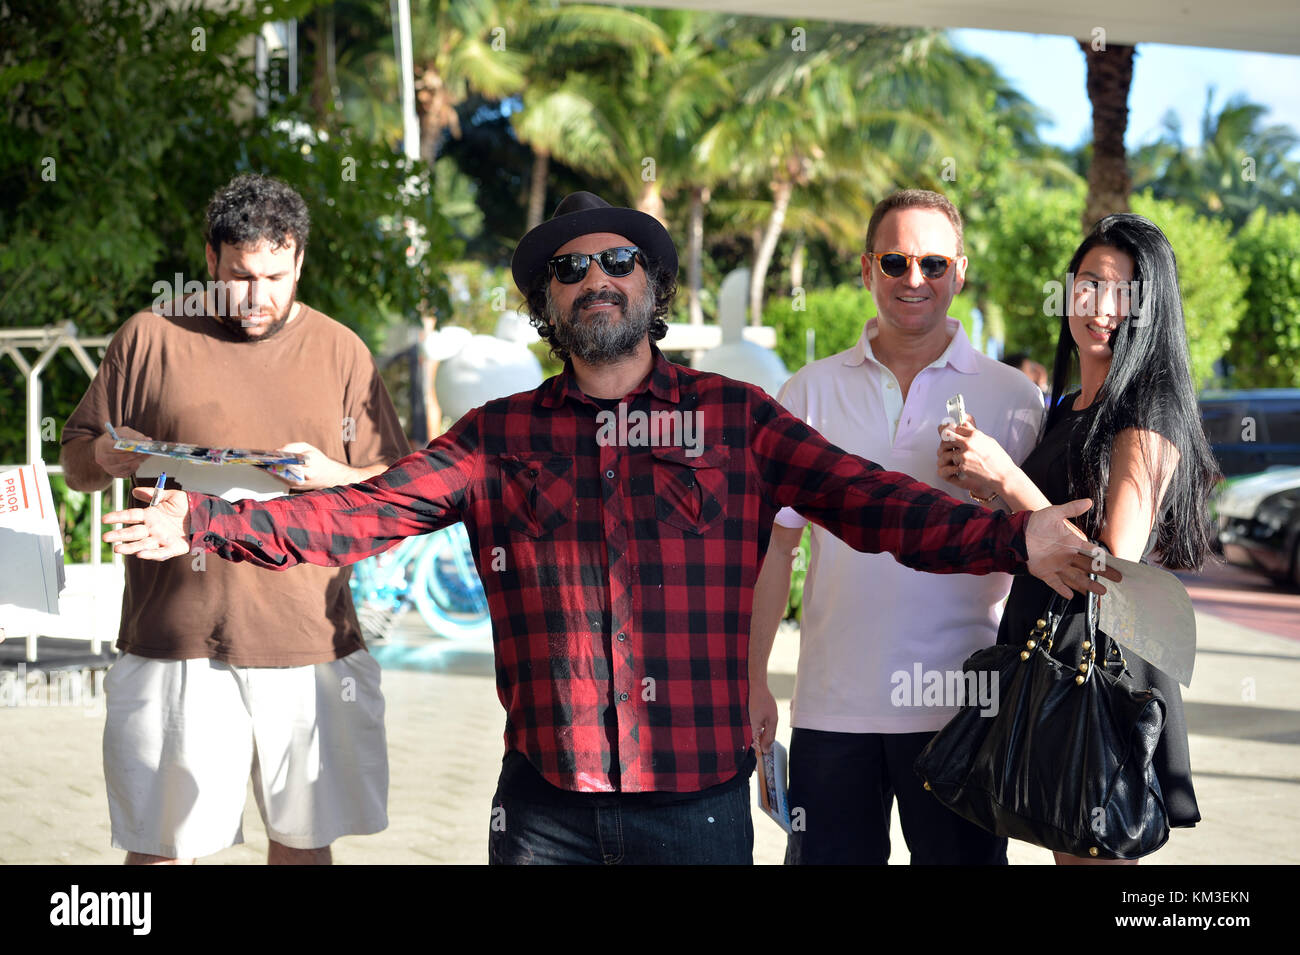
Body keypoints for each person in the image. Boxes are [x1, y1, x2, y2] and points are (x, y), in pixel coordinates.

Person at [101, 190, 1115, 866]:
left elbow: (873, 504)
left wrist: (1014, 536)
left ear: (652, 286)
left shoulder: (738, 419)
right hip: (544, 806)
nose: (597, 279)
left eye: (619, 261)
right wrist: (208, 520)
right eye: (571, 268)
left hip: (699, 805)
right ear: (548, 301)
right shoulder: (497, 438)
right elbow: (363, 511)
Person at [62, 174, 408, 865]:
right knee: (162, 852)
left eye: (276, 276)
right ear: (210, 259)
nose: (257, 297)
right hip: (172, 638)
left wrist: (332, 474)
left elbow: (397, 490)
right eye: (240, 277)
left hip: (308, 641)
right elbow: (77, 462)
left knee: (304, 848)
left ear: (300, 259)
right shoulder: (149, 338)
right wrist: (109, 449)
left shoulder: (341, 351)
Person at [748, 189, 1046, 865]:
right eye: (896, 261)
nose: (915, 279)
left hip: (963, 709)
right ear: (866, 269)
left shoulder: (1014, 398)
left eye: (934, 263)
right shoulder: (807, 392)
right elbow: (777, 546)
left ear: (960, 271)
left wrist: (994, 482)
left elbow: (1043, 544)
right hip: (833, 709)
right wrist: (753, 676)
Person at [937, 212, 1217, 864]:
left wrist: (1006, 476)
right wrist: (982, 481)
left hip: (1101, 666)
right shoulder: (1068, 409)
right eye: (1089, 284)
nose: (1101, 307)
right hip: (1049, 650)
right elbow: (1052, 520)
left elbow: (1112, 565)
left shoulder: (1144, 413)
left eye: (1125, 293)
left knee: (1093, 852)